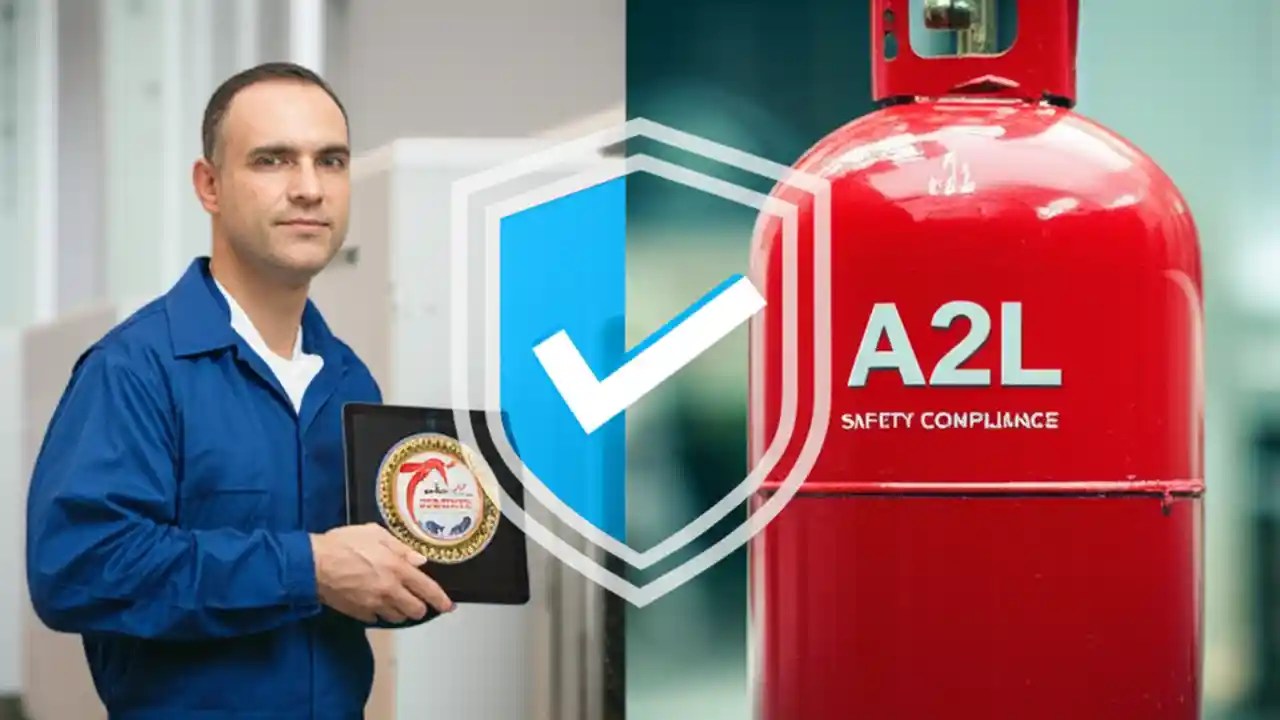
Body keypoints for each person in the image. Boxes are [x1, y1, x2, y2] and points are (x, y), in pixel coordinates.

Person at [25, 62, 453, 719]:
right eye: (273, 160)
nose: (309, 188)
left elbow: (351, 582)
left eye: (331, 161)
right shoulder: (137, 369)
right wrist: (307, 568)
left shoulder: (347, 379)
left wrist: (429, 569)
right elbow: (77, 568)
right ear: (210, 185)